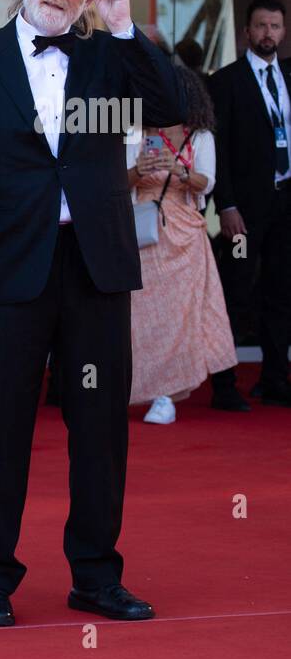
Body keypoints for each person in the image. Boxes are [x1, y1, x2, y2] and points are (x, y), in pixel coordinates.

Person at [0, 0, 185, 627]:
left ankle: (97, 575)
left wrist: (126, 26)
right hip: (6, 271)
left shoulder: (111, 56)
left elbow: (170, 105)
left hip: (94, 267)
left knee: (100, 427)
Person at [128, 66, 237, 423]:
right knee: (141, 316)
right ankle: (135, 388)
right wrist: (138, 170)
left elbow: (208, 182)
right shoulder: (135, 130)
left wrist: (179, 171)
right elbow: (114, 181)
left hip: (186, 236)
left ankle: (166, 395)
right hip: (143, 231)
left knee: (181, 317)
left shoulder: (200, 136)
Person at [209, 0, 291, 409]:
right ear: (247, 31)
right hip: (243, 209)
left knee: (281, 292)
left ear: (283, 31)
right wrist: (225, 205)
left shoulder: (290, 75)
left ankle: (275, 379)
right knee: (235, 291)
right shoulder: (225, 81)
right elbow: (217, 149)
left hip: (286, 205)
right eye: (261, 26)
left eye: (275, 27)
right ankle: (224, 384)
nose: (268, 34)